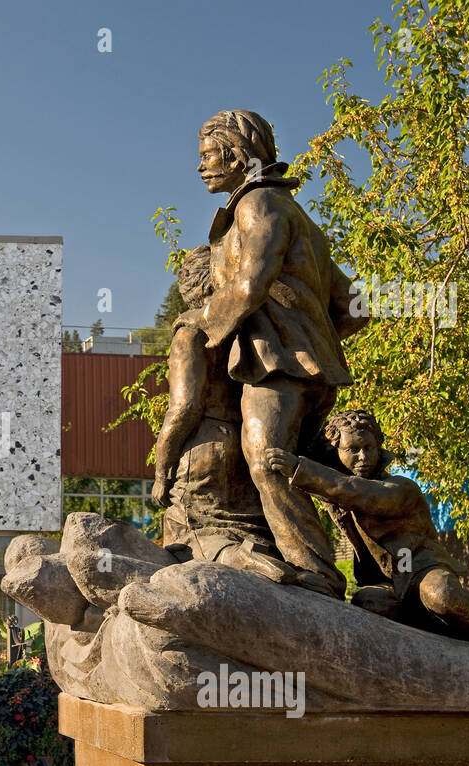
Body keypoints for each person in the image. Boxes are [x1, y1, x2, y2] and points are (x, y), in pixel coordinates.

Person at [188, 109, 370, 599]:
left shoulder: (258, 205)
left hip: (277, 365)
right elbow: (354, 307)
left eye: (208, 157)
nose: (201, 167)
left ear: (237, 155)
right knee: (300, 464)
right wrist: (314, 336)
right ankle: (349, 563)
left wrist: (201, 326)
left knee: (267, 458)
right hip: (309, 368)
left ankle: (319, 574)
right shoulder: (298, 216)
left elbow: (250, 283)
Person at [263, 410, 469, 663]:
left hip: (420, 570)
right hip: (388, 584)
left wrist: (301, 469)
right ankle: (434, 636)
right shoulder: (335, 488)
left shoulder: (399, 489)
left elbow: (358, 493)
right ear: (337, 452)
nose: (363, 457)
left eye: (369, 448)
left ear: (380, 448)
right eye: (353, 450)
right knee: (368, 603)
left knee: (440, 595)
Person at [153, 246, 327, 591]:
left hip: (205, 447)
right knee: (252, 524)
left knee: (191, 537)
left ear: (192, 286)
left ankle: (242, 559)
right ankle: (270, 567)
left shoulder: (190, 332)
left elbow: (184, 407)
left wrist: (162, 469)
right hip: (248, 442)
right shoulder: (254, 325)